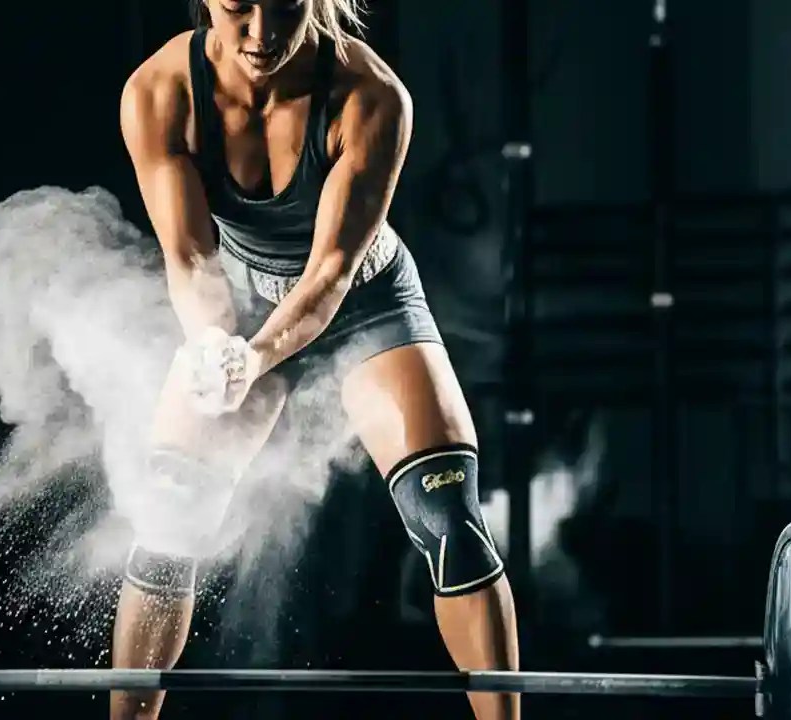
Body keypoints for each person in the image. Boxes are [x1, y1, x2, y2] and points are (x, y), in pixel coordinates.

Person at [112, 1, 520, 718]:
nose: (262, 33)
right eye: (239, 8)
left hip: (365, 302)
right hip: (239, 305)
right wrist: (214, 346)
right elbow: (189, 257)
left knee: (449, 519)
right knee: (168, 520)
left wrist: (254, 359)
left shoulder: (374, 97)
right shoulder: (158, 92)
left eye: (285, 8)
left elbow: (330, 274)